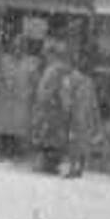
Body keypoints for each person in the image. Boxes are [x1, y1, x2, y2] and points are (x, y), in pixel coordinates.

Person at [0, 35, 40, 161]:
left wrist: (31, 94)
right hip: (4, 101)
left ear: (26, 48)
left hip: (22, 103)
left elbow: (35, 82)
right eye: (16, 46)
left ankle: (18, 157)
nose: (18, 49)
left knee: (20, 132)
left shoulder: (32, 63)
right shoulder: (4, 60)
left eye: (21, 46)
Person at [30, 39, 71, 175]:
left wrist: (49, 101)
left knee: (51, 138)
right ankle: (49, 164)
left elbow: (54, 91)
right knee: (50, 138)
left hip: (52, 110)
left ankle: (49, 165)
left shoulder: (56, 70)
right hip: (51, 110)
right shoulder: (54, 69)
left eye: (47, 53)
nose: (45, 56)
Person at [62, 55, 101, 179]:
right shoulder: (87, 81)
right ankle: (79, 168)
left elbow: (66, 98)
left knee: (74, 143)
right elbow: (93, 102)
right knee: (82, 143)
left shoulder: (72, 79)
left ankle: (74, 168)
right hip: (84, 116)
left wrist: (68, 110)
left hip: (77, 115)